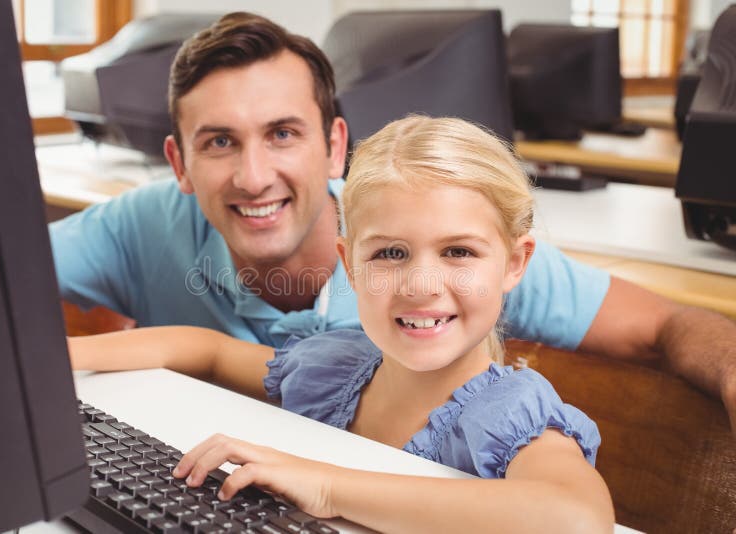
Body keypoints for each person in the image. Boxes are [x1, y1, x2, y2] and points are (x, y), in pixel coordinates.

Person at [50, 12, 736, 431]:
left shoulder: (438, 253)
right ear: (178, 161)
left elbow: (663, 326)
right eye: (219, 142)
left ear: (336, 146)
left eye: (283, 133)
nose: (253, 175)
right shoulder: (136, 227)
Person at [70, 115, 615, 532]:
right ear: (349, 262)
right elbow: (208, 349)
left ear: (515, 263)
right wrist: (59, 362)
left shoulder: (509, 414)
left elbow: (574, 519)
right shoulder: (337, 366)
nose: (421, 284)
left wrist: (326, 488)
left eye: (458, 252)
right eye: (391, 254)